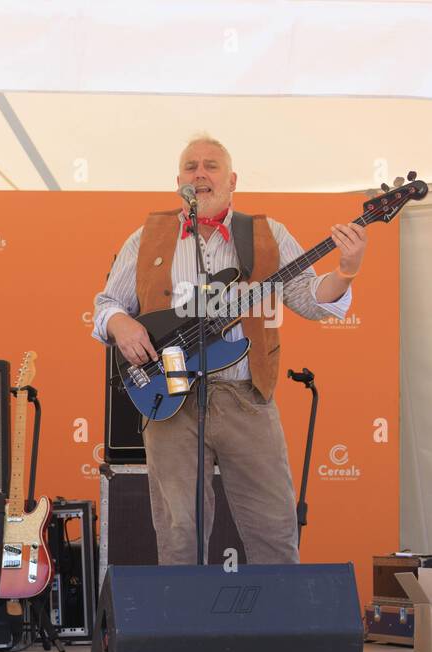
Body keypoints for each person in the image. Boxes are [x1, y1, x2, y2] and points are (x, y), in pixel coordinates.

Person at [92, 137, 366, 564]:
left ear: (232, 179)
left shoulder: (266, 233)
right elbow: (107, 304)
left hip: (246, 395)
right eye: (191, 166)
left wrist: (346, 271)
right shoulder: (146, 237)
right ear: (178, 180)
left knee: (273, 528)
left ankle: (277, 627)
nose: (200, 173)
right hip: (172, 397)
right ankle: (183, 629)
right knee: (179, 532)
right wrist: (121, 324)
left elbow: (312, 299)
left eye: (211, 166)